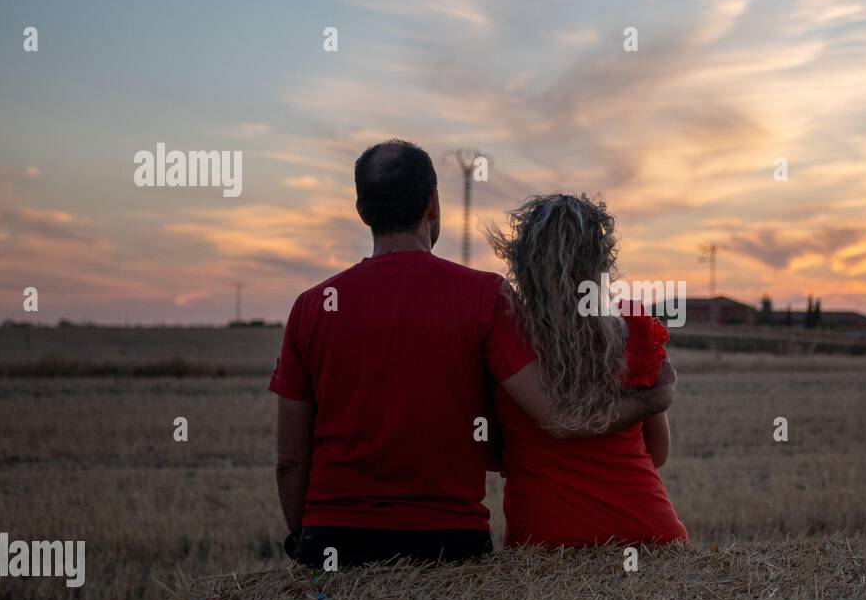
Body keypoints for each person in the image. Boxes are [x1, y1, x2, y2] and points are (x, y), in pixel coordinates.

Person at [270, 141, 675, 567]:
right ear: (434, 204)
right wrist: (653, 399)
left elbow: (289, 460)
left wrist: (306, 541)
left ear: (360, 209)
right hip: (447, 540)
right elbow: (559, 419)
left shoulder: (311, 306)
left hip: (334, 535)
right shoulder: (484, 298)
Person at [486, 193, 688, 548]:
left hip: (545, 544)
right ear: (603, 262)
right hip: (649, 535)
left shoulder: (504, 334)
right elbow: (658, 453)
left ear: (521, 261)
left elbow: (491, 451)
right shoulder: (635, 328)